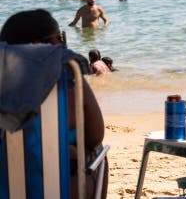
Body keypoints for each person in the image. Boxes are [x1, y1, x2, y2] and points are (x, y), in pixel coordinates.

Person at [0, 10, 107, 198]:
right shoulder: (68, 79)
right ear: (39, 47)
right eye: (59, 38)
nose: (62, 45)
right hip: (58, 189)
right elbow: (95, 137)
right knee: (98, 154)